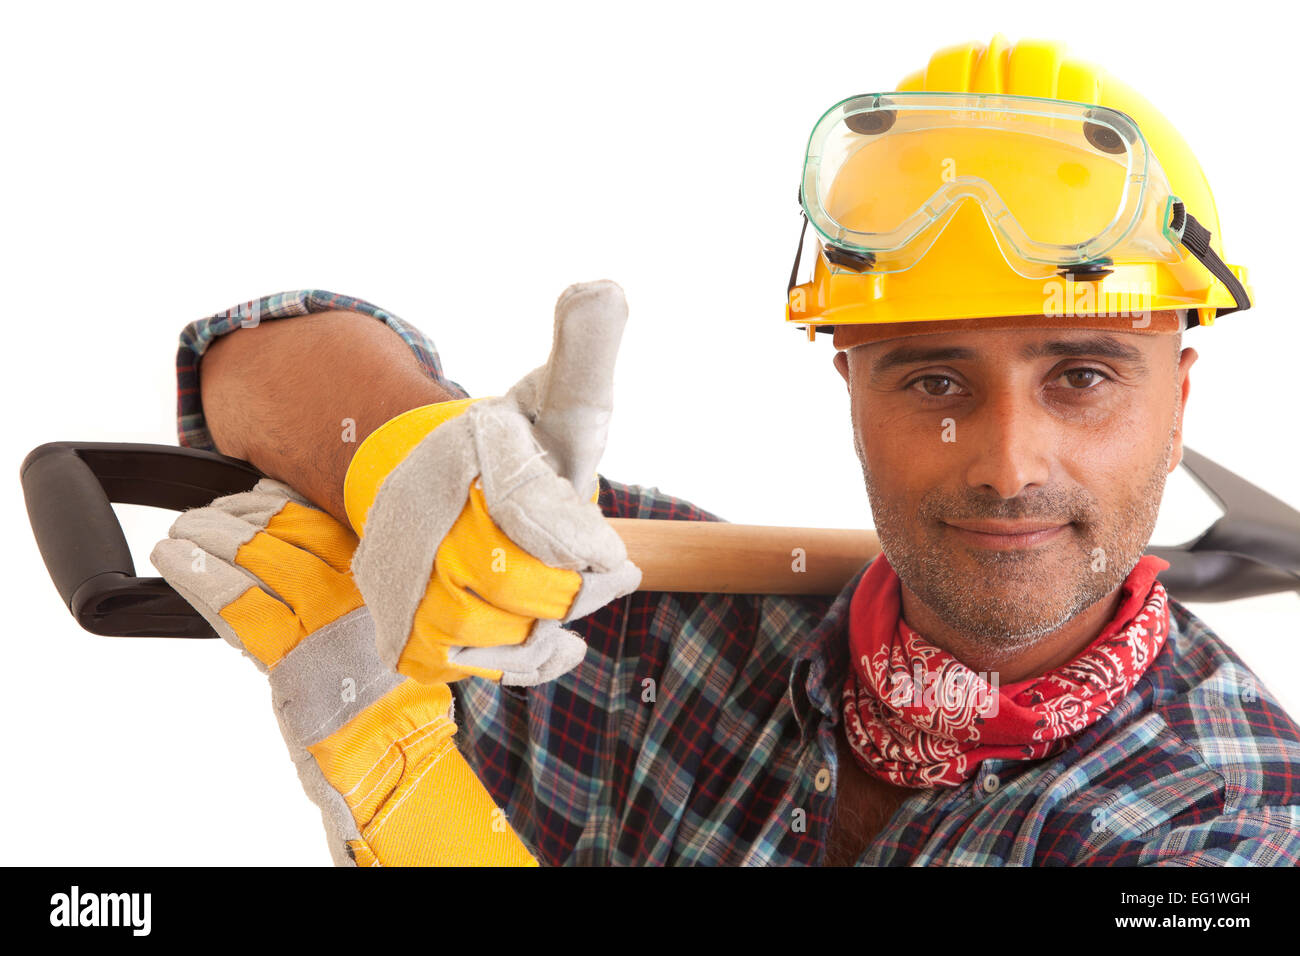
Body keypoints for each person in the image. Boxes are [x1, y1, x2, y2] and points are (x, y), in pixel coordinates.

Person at [154, 35, 1300, 866]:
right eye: (935, 379)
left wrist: (425, 814)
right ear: (850, 383)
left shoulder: (1228, 824)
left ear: (1177, 398)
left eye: (1082, 377)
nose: (1009, 460)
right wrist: (408, 456)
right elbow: (254, 355)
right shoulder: (612, 620)